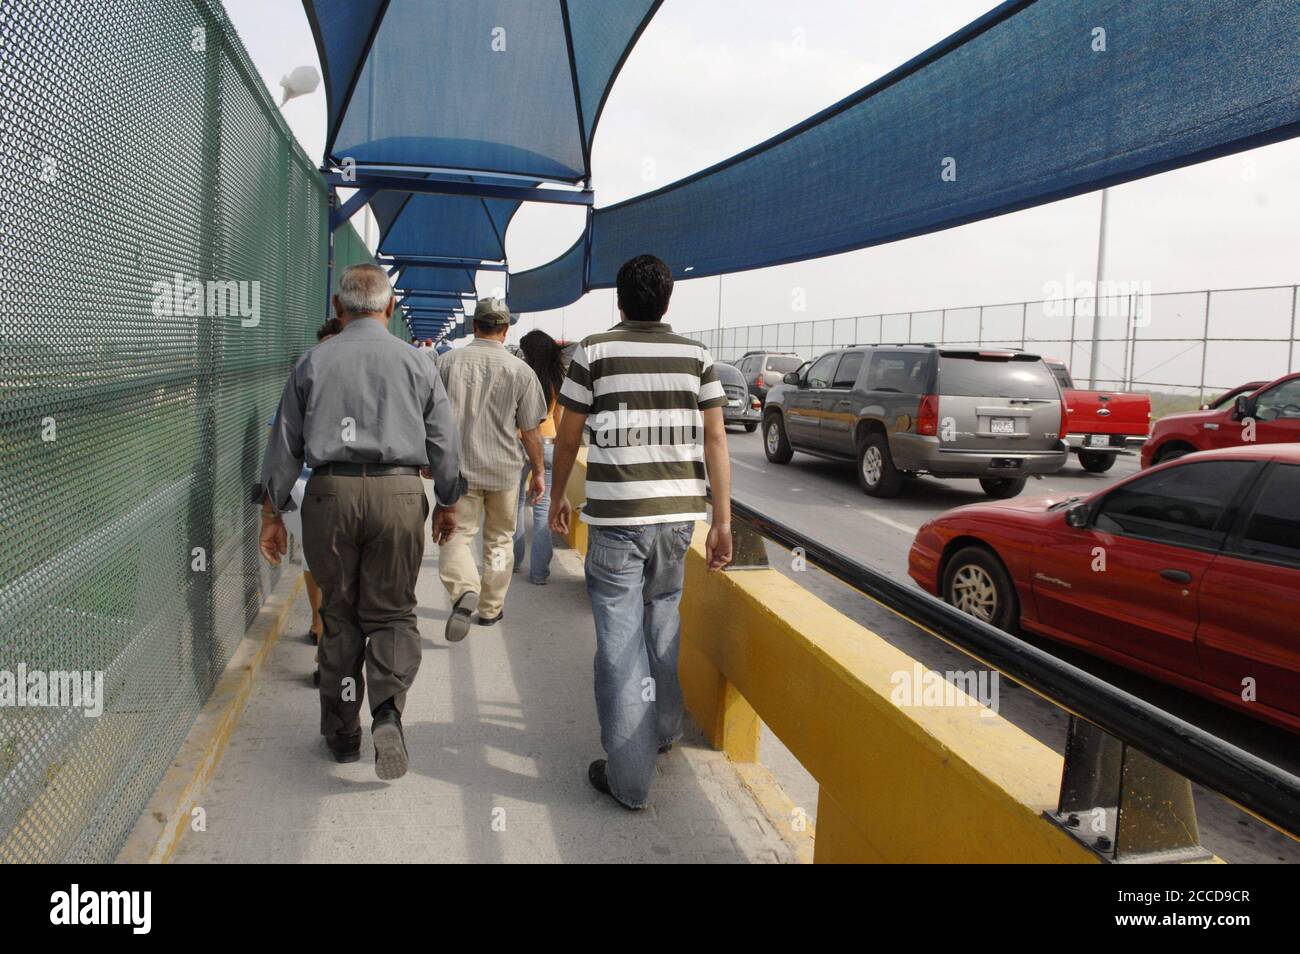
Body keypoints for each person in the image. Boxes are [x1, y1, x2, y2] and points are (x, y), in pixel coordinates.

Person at [256, 263, 465, 779]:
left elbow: (283, 445)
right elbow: (445, 441)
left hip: (330, 495)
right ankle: (388, 713)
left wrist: (271, 514)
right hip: (397, 493)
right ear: (391, 308)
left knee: (341, 614)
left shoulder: (312, 362)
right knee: (393, 613)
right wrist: (447, 501)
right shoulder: (419, 364)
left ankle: (344, 731)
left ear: (337, 306)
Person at [550, 254, 733, 811]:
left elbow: (566, 436)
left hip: (616, 524)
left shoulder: (596, 350)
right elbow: (716, 441)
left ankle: (629, 780)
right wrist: (722, 521)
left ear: (620, 300)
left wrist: (558, 494)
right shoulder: (696, 355)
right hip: (678, 521)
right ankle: (665, 729)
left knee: (619, 648)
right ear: (667, 302)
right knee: (662, 621)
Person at [434, 298, 548, 639]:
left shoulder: (446, 363)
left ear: (474, 325)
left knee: (456, 534)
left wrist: (430, 460)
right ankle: (490, 608)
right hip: (504, 472)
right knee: (499, 540)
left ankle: (464, 590)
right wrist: (539, 472)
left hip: (458, 472)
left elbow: (431, 421)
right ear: (505, 329)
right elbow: (531, 432)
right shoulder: (521, 371)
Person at [273, 317, 342, 687]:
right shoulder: (314, 375)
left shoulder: (307, 372)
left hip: (323, 489)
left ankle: (324, 635)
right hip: (309, 489)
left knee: (322, 565)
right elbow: (280, 436)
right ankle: (322, 632)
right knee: (320, 564)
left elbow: (279, 435)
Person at [512, 330, 566, 584]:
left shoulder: (520, 376)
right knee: (543, 510)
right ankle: (539, 574)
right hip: (548, 445)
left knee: (515, 505)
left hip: (520, 443)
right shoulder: (556, 379)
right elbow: (560, 420)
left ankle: (513, 562)